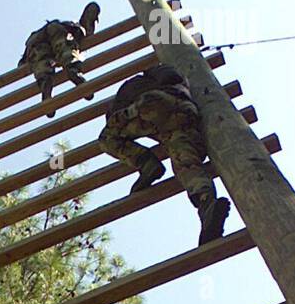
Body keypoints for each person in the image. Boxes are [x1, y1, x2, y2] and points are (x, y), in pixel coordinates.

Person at [98, 62, 231, 246]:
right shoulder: (166, 79)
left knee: (106, 138)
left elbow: (119, 121)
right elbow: (171, 77)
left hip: (153, 103)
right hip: (183, 115)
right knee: (185, 163)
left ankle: (146, 163)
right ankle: (206, 206)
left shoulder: (133, 88)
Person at [19, 2, 101, 115]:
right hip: (56, 29)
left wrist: (26, 60)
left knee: (40, 60)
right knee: (65, 49)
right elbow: (85, 26)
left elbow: (22, 64)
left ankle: (45, 84)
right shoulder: (77, 27)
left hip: (34, 40)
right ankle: (72, 70)